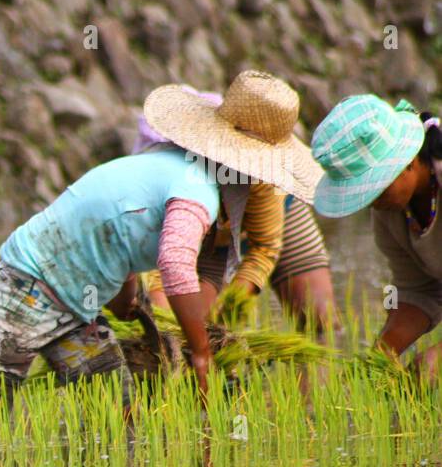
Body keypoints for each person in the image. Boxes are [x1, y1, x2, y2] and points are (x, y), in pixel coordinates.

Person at [0, 71, 323, 405]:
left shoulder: (183, 173)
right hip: (22, 287)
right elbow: (176, 264)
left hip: (75, 309)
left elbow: (120, 239)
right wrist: (200, 352)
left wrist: (126, 297)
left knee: (115, 409)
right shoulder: (196, 189)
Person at [135, 89, 336, 334]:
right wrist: (167, 327)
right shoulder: (179, 173)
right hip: (196, 227)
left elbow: (264, 248)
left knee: (320, 321)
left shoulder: (268, 174)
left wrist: (232, 303)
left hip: (272, 211)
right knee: (197, 328)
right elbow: (156, 261)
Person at [310, 95, 442, 370]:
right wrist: (381, 356)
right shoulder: (389, 212)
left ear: (407, 160)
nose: (371, 200)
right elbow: (421, 289)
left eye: (376, 187)